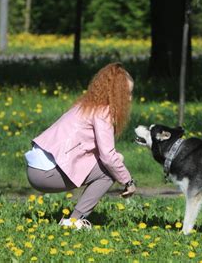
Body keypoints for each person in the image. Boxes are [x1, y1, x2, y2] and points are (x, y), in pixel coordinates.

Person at [24, 62, 136, 229]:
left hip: (36, 169)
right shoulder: (103, 112)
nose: (130, 98)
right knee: (109, 169)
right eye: (126, 93)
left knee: (113, 162)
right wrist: (128, 181)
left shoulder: (85, 106)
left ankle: (74, 220)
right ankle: (74, 222)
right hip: (46, 173)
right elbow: (107, 156)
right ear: (116, 93)